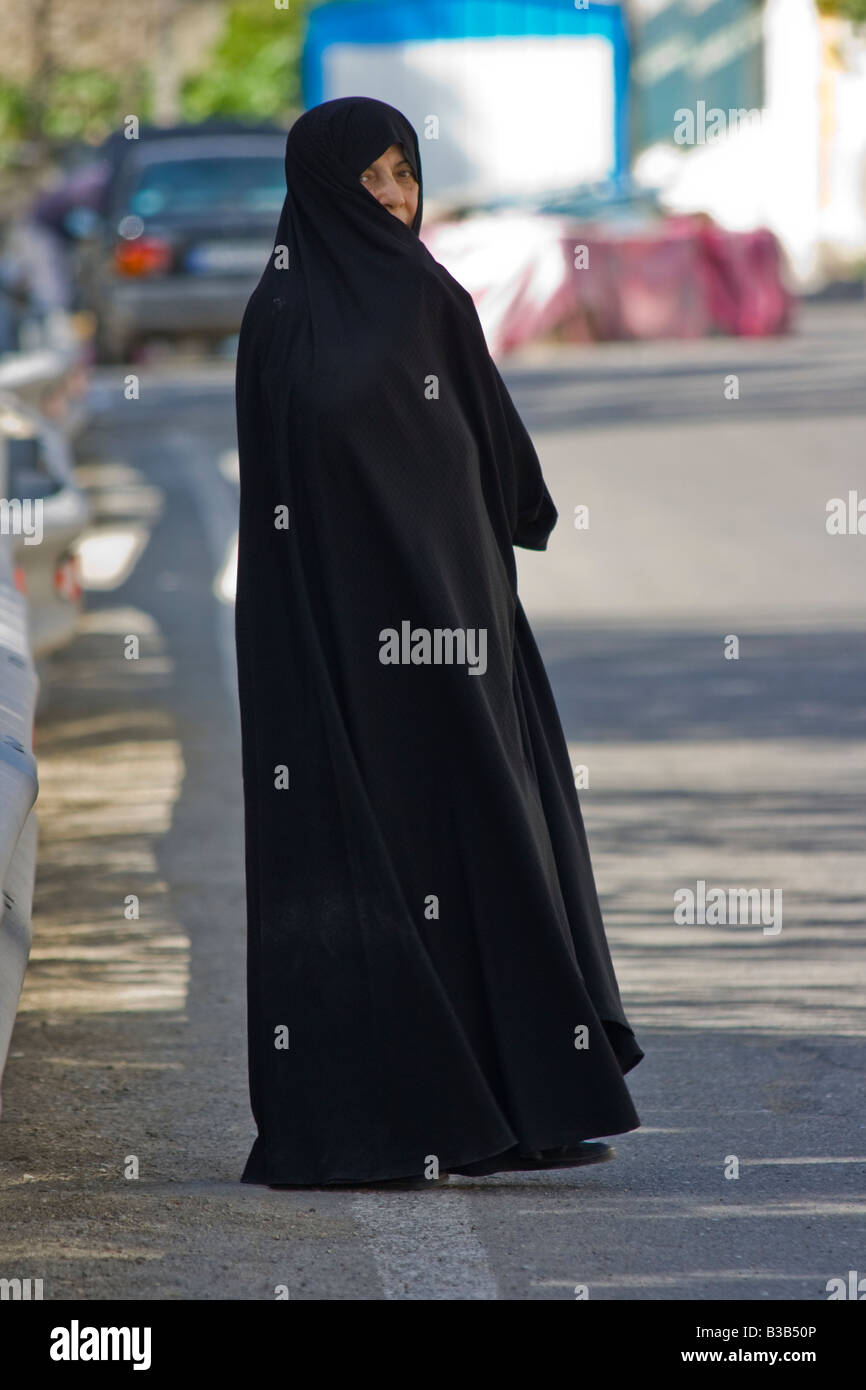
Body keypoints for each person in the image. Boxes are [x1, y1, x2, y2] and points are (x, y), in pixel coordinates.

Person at [233, 96, 643, 1189]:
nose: (392, 198)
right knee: (373, 847)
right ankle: (387, 1111)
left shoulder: (427, 297)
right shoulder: (278, 314)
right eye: (369, 180)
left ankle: (528, 1103)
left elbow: (495, 461)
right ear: (318, 185)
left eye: (403, 176)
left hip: (453, 632)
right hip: (335, 644)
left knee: (486, 843)